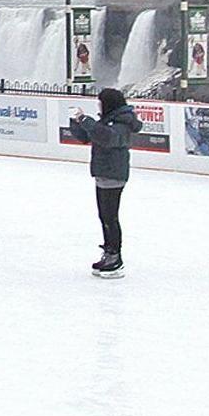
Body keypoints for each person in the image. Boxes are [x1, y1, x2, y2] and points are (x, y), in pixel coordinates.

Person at [68, 88, 143, 279]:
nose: (99, 106)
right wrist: (76, 123)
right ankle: (109, 251)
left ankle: (115, 257)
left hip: (113, 174)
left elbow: (109, 138)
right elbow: (88, 137)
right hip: (103, 173)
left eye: (101, 103)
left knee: (110, 217)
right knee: (104, 216)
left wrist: (88, 122)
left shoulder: (122, 122)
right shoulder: (107, 120)